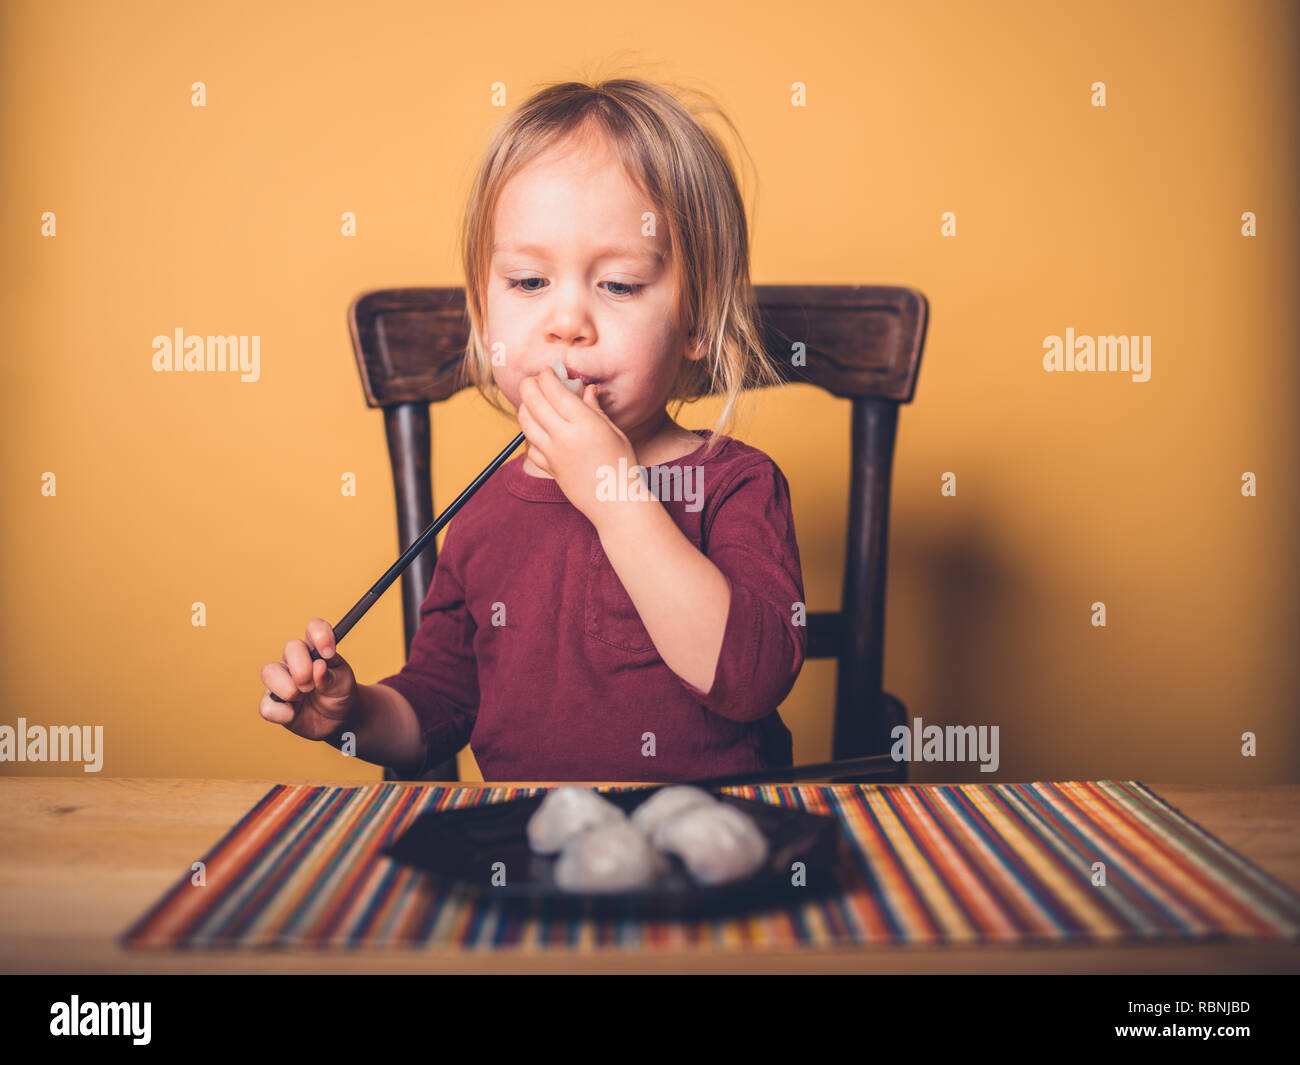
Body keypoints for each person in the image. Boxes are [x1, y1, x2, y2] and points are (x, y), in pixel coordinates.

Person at [258, 78, 806, 781]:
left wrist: (613, 495)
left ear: (698, 320)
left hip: (708, 853)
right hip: (528, 855)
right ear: (487, 324)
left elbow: (752, 677)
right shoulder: (484, 517)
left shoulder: (737, 485)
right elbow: (436, 709)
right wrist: (352, 715)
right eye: (526, 282)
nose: (566, 322)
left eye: (619, 285)